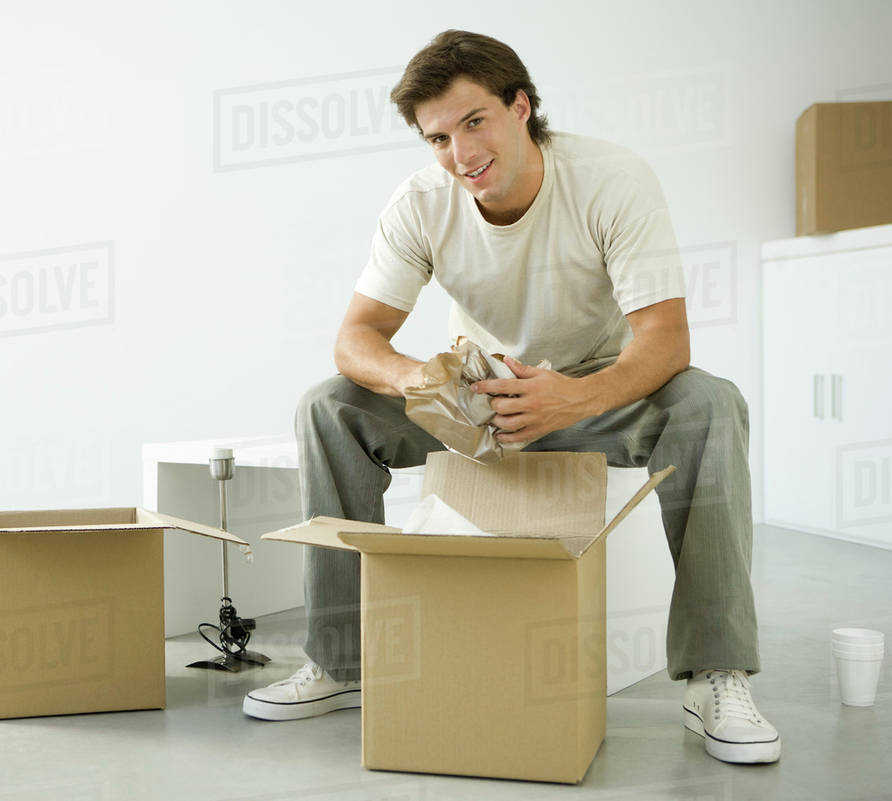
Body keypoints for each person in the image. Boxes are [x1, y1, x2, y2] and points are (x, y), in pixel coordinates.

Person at [240, 30, 779, 765]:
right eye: (438, 138)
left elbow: (665, 338)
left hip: (596, 394)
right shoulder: (421, 204)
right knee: (328, 404)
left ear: (520, 106)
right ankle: (343, 662)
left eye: (474, 122)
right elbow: (356, 338)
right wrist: (421, 381)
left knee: (710, 402)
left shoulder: (611, 180)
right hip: (478, 402)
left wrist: (576, 398)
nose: (460, 154)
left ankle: (717, 671)